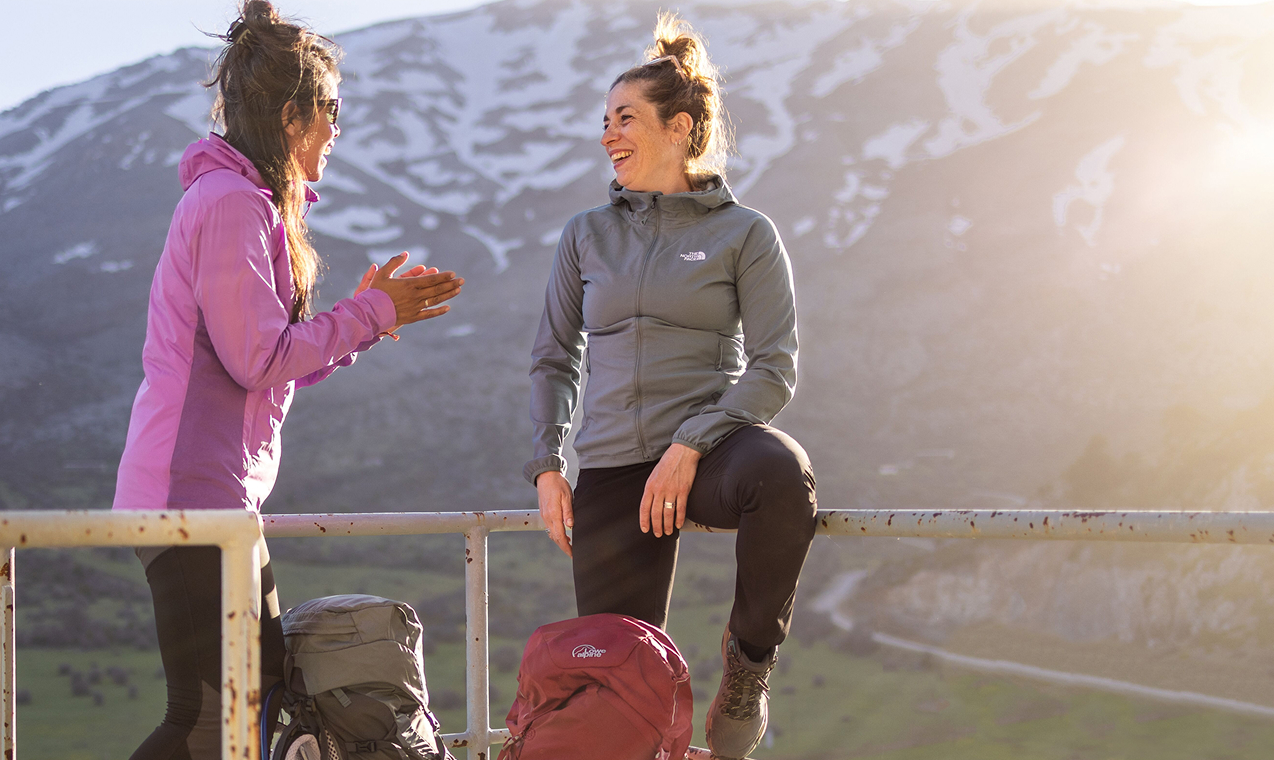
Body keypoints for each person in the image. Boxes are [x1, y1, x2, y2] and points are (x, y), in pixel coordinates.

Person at [112, 2, 463, 758]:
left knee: (254, 702)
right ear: (289, 113)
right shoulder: (234, 205)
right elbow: (259, 360)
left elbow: (269, 367)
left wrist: (370, 320)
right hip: (189, 496)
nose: (339, 128)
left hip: (212, 496)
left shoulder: (248, 204)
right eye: (333, 108)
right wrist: (369, 313)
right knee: (209, 721)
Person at [524, 13, 815, 760]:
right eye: (605, 121)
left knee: (783, 476)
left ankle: (748, 668)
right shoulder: (587, 234)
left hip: (713, 451)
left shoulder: (744, 233)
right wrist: (549, 465)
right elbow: (556, 357)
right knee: (618, 689)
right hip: (617, 468)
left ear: (679, 127)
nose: (608, 135)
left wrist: (692, 443)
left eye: (626, 119)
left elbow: (775, 366)